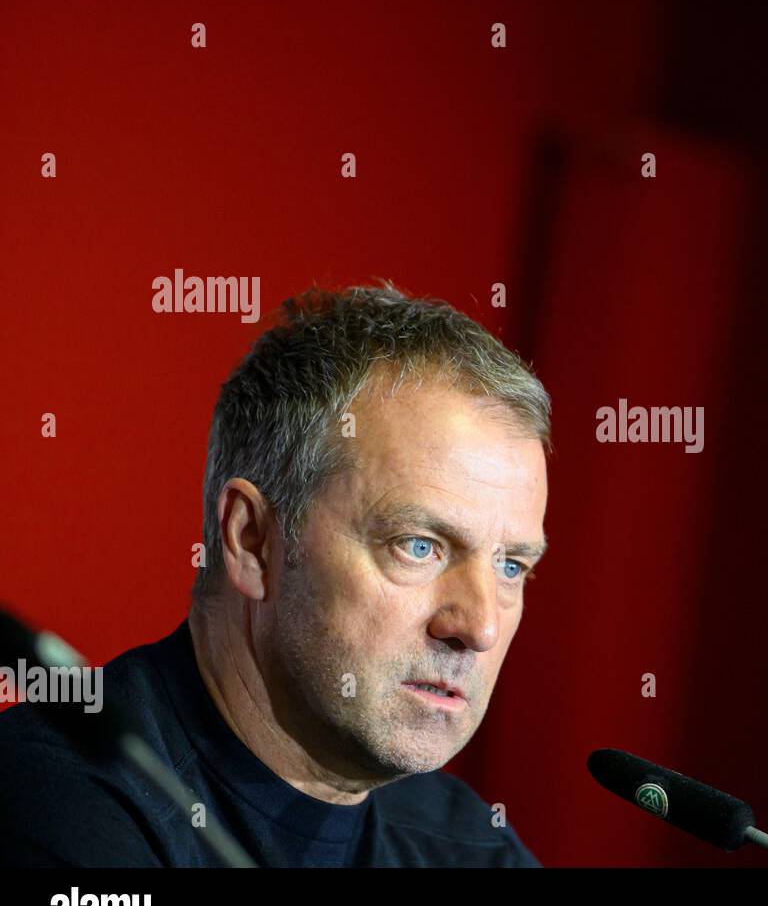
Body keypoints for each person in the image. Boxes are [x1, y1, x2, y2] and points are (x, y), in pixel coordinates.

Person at [0, 282, 551, 866]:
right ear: (253, 542)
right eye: (419, 546)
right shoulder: (60, 807)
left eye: (511, 565)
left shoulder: (469, 846)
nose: (481, 626)